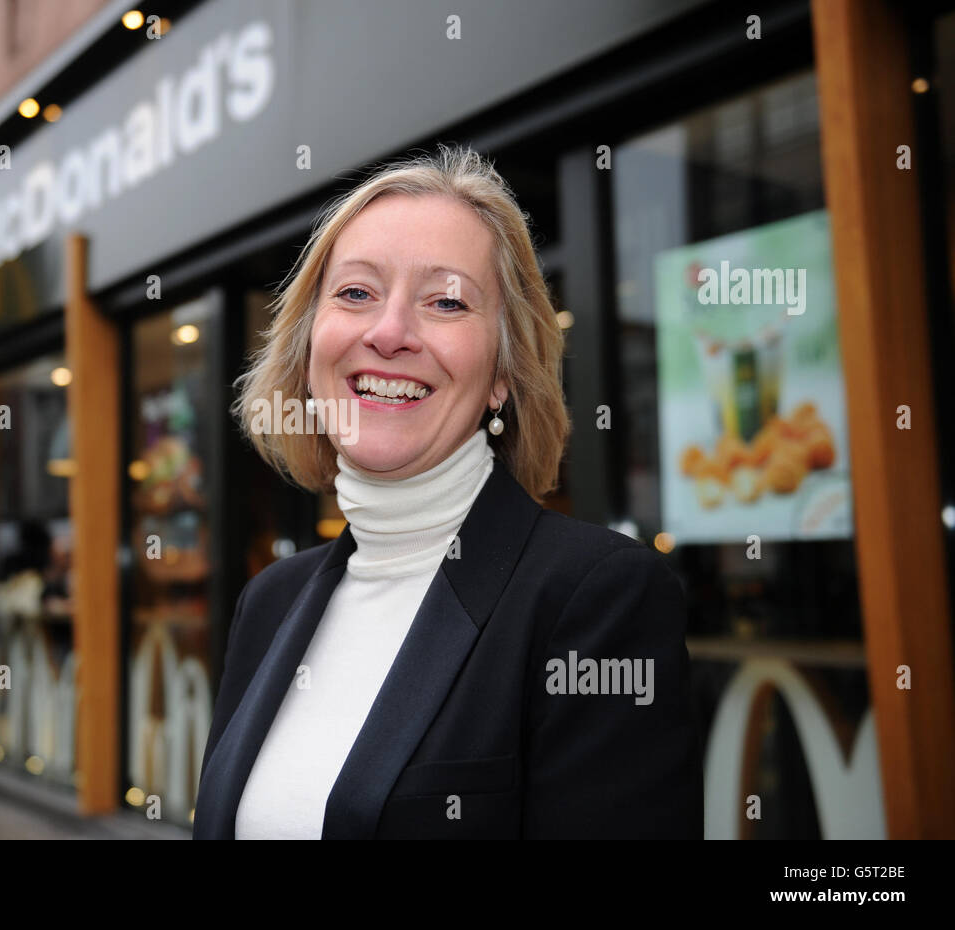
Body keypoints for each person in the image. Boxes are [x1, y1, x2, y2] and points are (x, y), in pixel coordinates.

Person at [193, 145, 702, 839]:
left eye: (446, 301)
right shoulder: (269, 602)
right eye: (356, 293)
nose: (390, 332)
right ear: (310, 345)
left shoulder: (598, 599)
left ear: (501, 374)